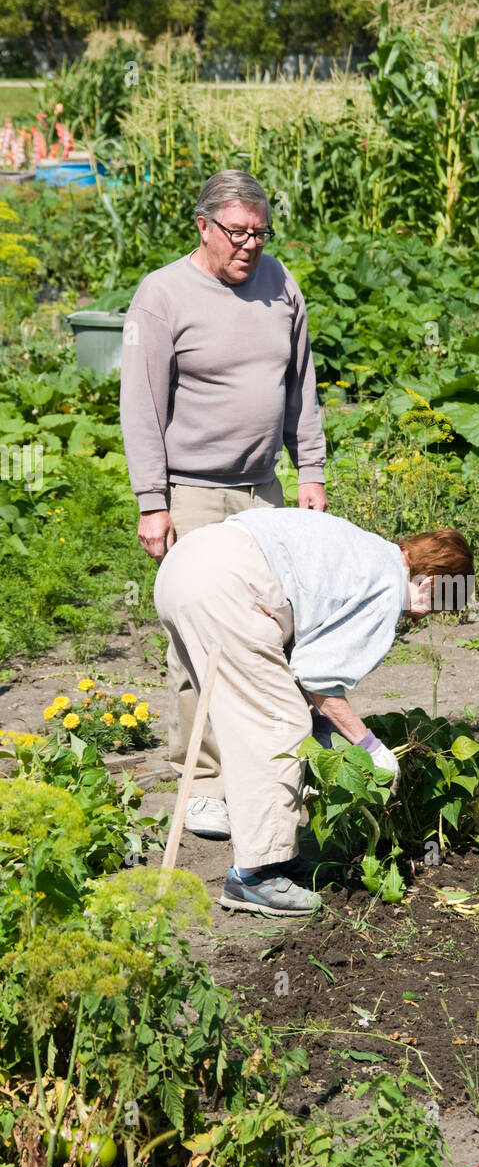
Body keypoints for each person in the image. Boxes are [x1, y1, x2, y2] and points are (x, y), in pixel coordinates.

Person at [119, 170, 327, 842]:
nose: (249, 246)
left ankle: (265, 773)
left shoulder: (280, 284)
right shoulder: (162, 295)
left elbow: (302, 388)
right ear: (202, 226)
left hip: (262, 491)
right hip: (194, 492)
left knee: (273, 634)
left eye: (259, 233)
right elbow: (142, 408)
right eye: (236, 232)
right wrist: (154, 501)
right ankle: (203, 782)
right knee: (200, 642)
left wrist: (311, 472)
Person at [154, 508, 473, 917]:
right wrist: (370, 746)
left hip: (187, 566)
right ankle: (254, 877)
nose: (424, 616)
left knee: (247, 717)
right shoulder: (389, 585)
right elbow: (321, 680)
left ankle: (273, 857)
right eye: (437, 603)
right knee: (277, 724)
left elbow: (304, 660)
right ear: (430, 581)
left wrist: (320, 719)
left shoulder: (370, 553)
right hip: (227, 585)